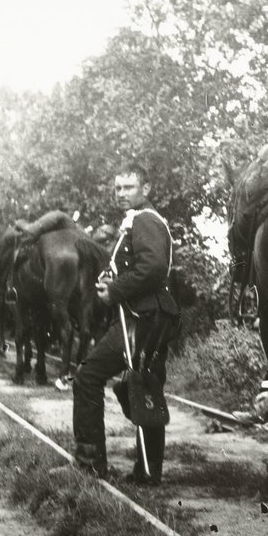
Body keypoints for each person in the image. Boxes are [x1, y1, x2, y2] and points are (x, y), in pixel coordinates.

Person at [68, 162, 180, 485]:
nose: (121, 193)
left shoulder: (144, 219)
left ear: (146, 190)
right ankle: (148, 472)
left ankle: (89, 464)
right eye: (117, 188)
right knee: (146, 384)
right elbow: (140, 267)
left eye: (128, 187)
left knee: (87, 376)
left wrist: (115, 289)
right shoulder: (137, 221)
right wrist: (112, 278)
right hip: (149, 316)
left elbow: (155, 268)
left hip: (141, 319)